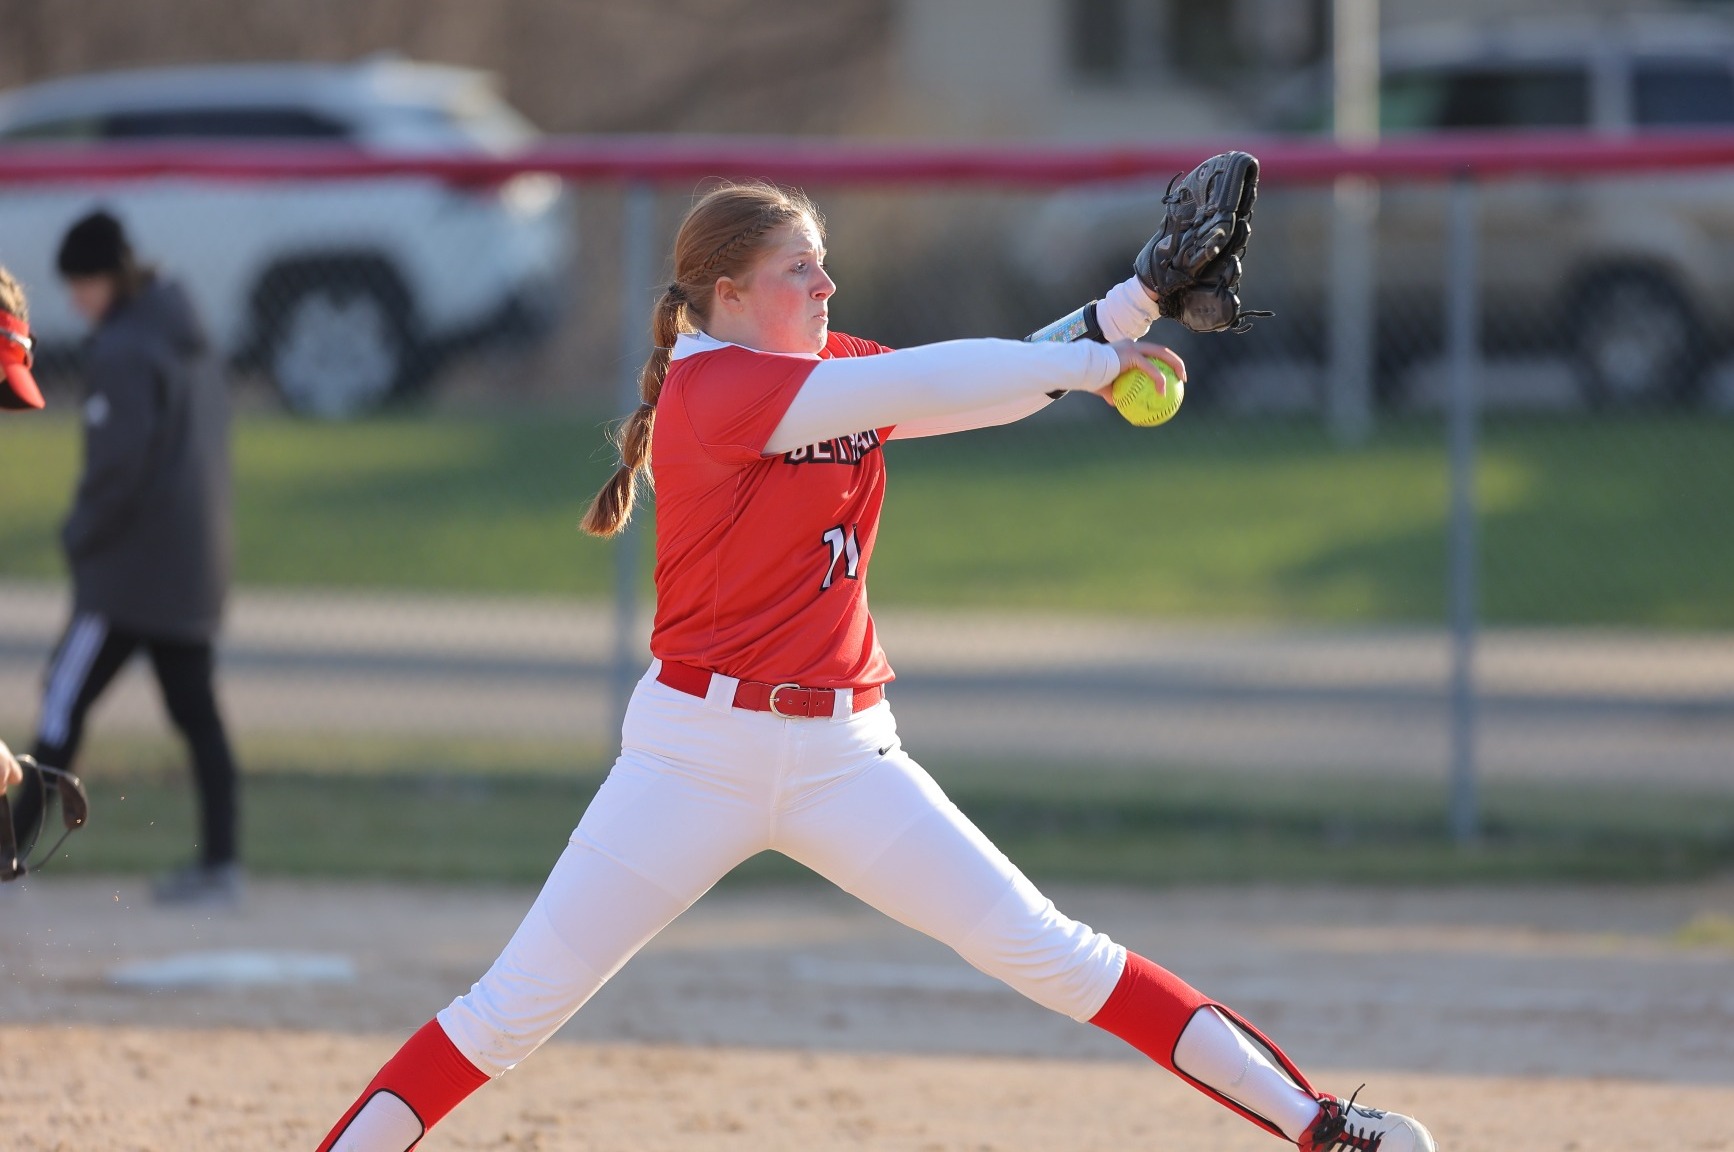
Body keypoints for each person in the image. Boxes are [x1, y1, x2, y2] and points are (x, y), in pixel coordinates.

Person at [314, 182, 1434, 1152]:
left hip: (849, 755)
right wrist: (1100, 362)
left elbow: (982, 388)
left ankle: (1318, 1126)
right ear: (730, 293)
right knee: (509, 1013)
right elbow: (941, 378)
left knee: (1053, 951)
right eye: (800, 269)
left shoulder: (818, 365)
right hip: (693, 758)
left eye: (825, 264)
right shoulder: (718, 389)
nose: (827, 286)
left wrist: (1128, 304)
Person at [8, 209, 243, 906]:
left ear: (109, 276)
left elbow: (117, 469)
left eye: (82, 284)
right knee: (197, 714)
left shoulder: (126, 348)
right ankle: (222, 864)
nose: (77, 300)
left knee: (59, 705)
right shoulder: (187, 333)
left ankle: (8, 856)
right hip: (189, 568)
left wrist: (77, 534)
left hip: (126, 577)